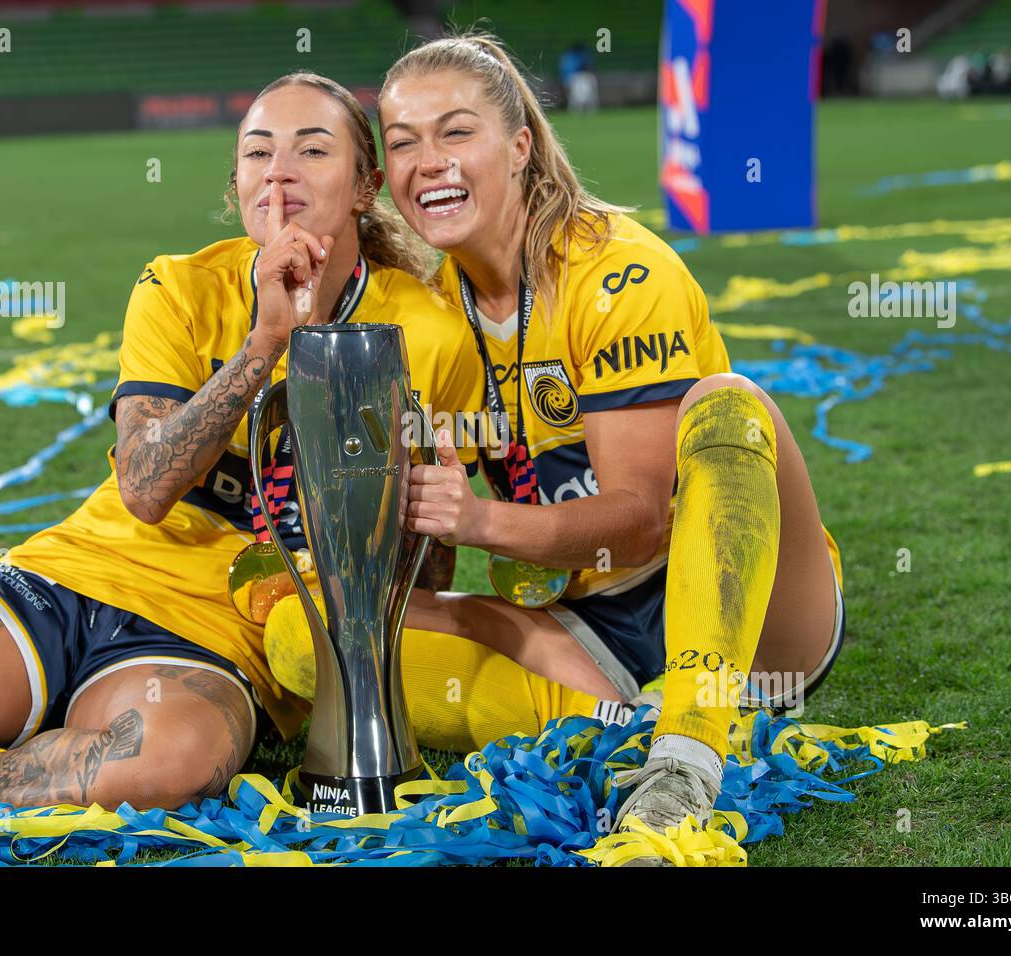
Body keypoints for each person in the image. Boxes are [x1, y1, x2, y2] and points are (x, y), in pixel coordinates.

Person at [0, 72, 481, 812]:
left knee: (165, 766)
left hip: (211, 645)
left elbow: (420, 568)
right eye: (258, 154)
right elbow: (146, 489)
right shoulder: (178, 287)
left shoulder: (432, 334)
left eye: (312, 151)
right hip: (63, 587)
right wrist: (264, 346)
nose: (280, 171)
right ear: (238, 181)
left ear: (364, 185)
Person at [262, 34, 845, 863]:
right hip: (584, 626)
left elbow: (640, 524)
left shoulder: (619, 273)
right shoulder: (431, 315)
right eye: (402, 142)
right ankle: (631, 722)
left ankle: (685, 758)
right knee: (304, 633)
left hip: (750, 619)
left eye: (457, 132)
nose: (429, 162)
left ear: (521, 146)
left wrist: (479, 520)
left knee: (729, 407)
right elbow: (426, 555)